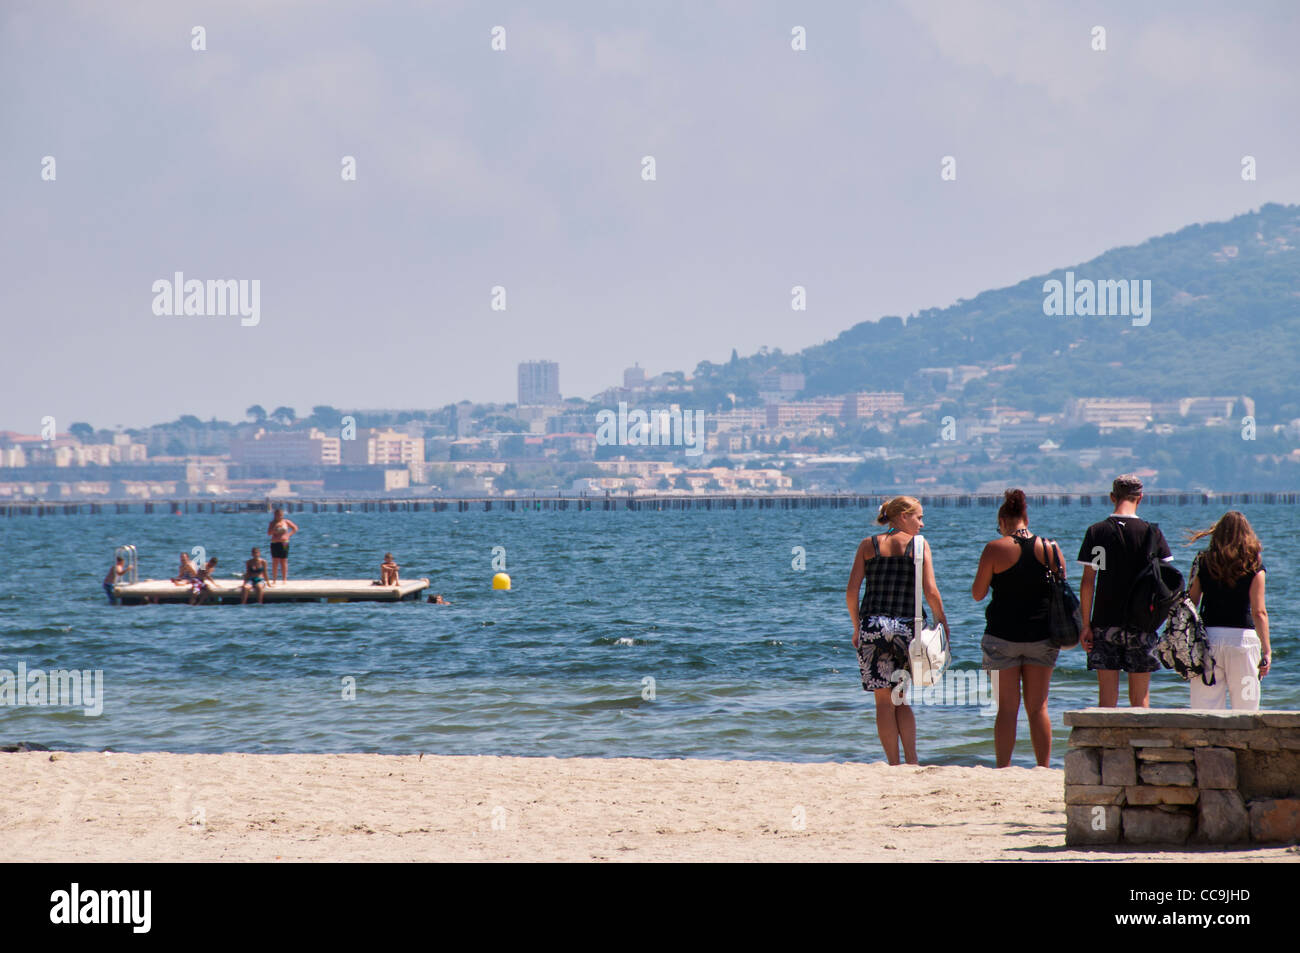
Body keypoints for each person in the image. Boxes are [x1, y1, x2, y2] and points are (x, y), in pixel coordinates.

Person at [845, 495, 950, 765]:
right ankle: (912, 760)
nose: (922, 524)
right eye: (919, 517)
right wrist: (942, 622)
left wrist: (858, 627)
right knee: (901, 699)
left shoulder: (868, 545)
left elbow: (851, 592)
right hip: (906, 628)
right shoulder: (919, 545)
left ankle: (893, 762)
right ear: (902, 516)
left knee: (883, 703)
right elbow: (930, 591)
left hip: (873, 627)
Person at [971, 489, 1061, 767]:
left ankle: (1003, 767)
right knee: (1038, 708)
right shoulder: (1050, 548)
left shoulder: (994, 548)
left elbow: (977, 593)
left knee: (1007, 709)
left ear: (1002, 521)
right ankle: (1043, 767)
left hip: (1002, 635)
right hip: (1042, 635)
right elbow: (1060, 589)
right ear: (1026, 517)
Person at [1077, 474, 1174, 708]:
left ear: (1112, 497)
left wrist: (1086, 624)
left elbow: (1088, 582)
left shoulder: (1096, 532)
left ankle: (1106, 745)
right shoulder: (1152, 533)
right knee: (1140, 702)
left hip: (1104, 623)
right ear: (1141, 498)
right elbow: (1167, 584)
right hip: (1142, 623)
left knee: (1107, 702)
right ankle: (1140, 745)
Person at [1185, 511, 1270, 709]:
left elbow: (1191, 604)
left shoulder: (1203, 561)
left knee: (1205, 709)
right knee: (1246, 708)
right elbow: (1259, 612)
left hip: (1208, 641)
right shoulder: (1254, 564)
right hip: (1244, 643)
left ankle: (1208, 741)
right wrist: (1267, 650)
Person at [267, 508, 299, 583]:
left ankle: (284, 579)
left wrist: (288, 535)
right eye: (278, 515)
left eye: (281, 515)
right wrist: (274, 528)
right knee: (275, 561)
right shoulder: (272, 523)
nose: (279, 516)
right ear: (275, 515)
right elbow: (269, 533)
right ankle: (274, 579)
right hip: (275, 543)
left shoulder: (286, 522)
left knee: (284, 561)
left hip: (284, 543)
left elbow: (295, 528)